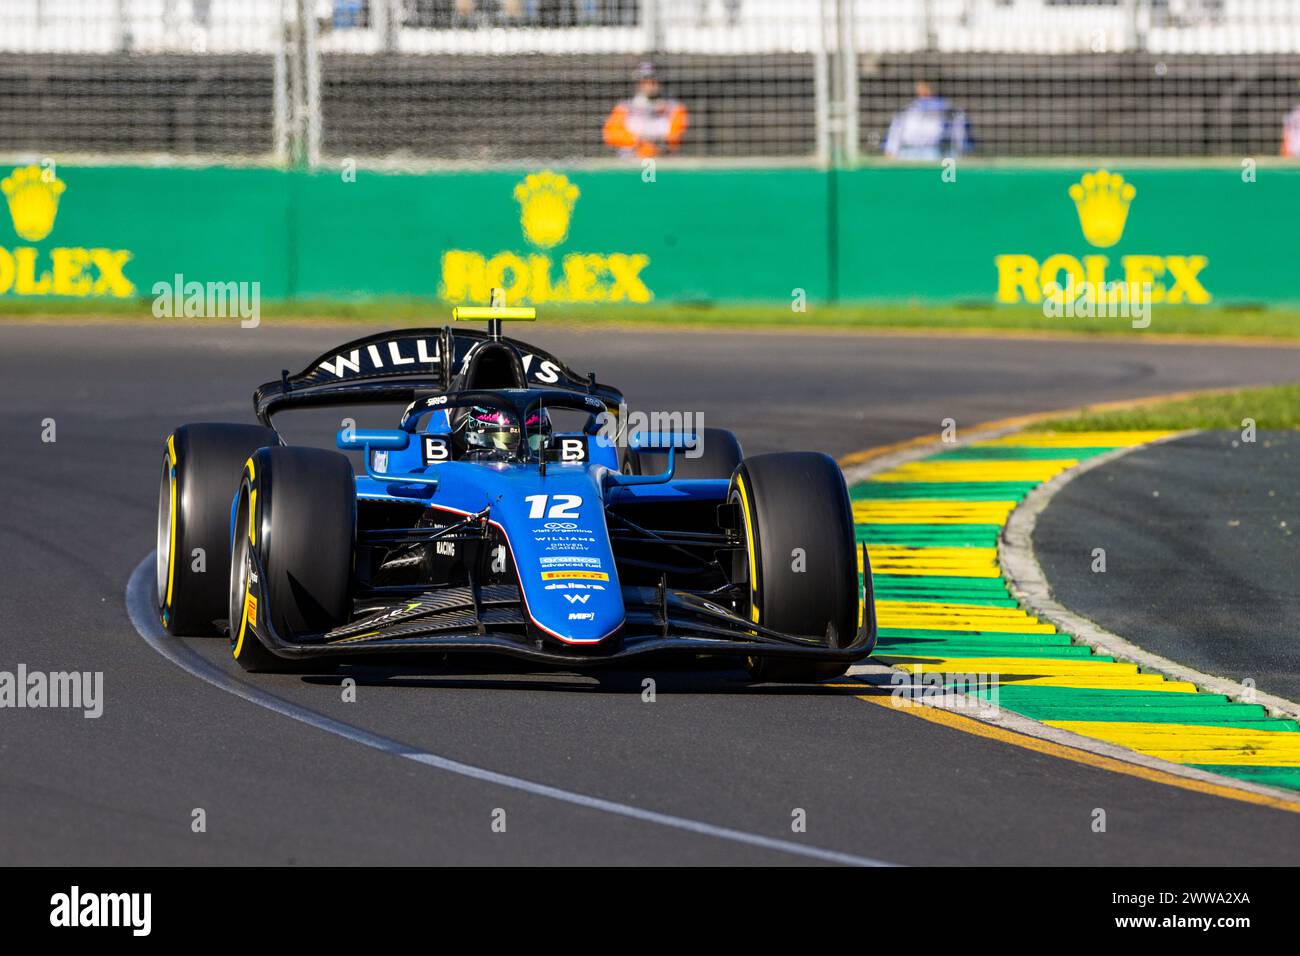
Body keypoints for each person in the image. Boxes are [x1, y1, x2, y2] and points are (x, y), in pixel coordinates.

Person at [603, 62, 689, 159]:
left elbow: (677, 136)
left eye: (653, 81)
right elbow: (611, 135)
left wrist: (657, 143)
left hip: (664, 162)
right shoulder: (624, 107)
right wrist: (637, 140)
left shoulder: (674, 107)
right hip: (631, 162)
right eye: (644, 81)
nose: (649, 85)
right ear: (638, 83)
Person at [883, 81, 972, 160]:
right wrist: (890, 153)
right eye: (921, 89)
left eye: (927, 88)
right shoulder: (906, 112)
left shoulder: (951, 112)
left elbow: (959, 140)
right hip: (907, 156)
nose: (924, 92)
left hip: (937, 156)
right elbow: (893, 139)